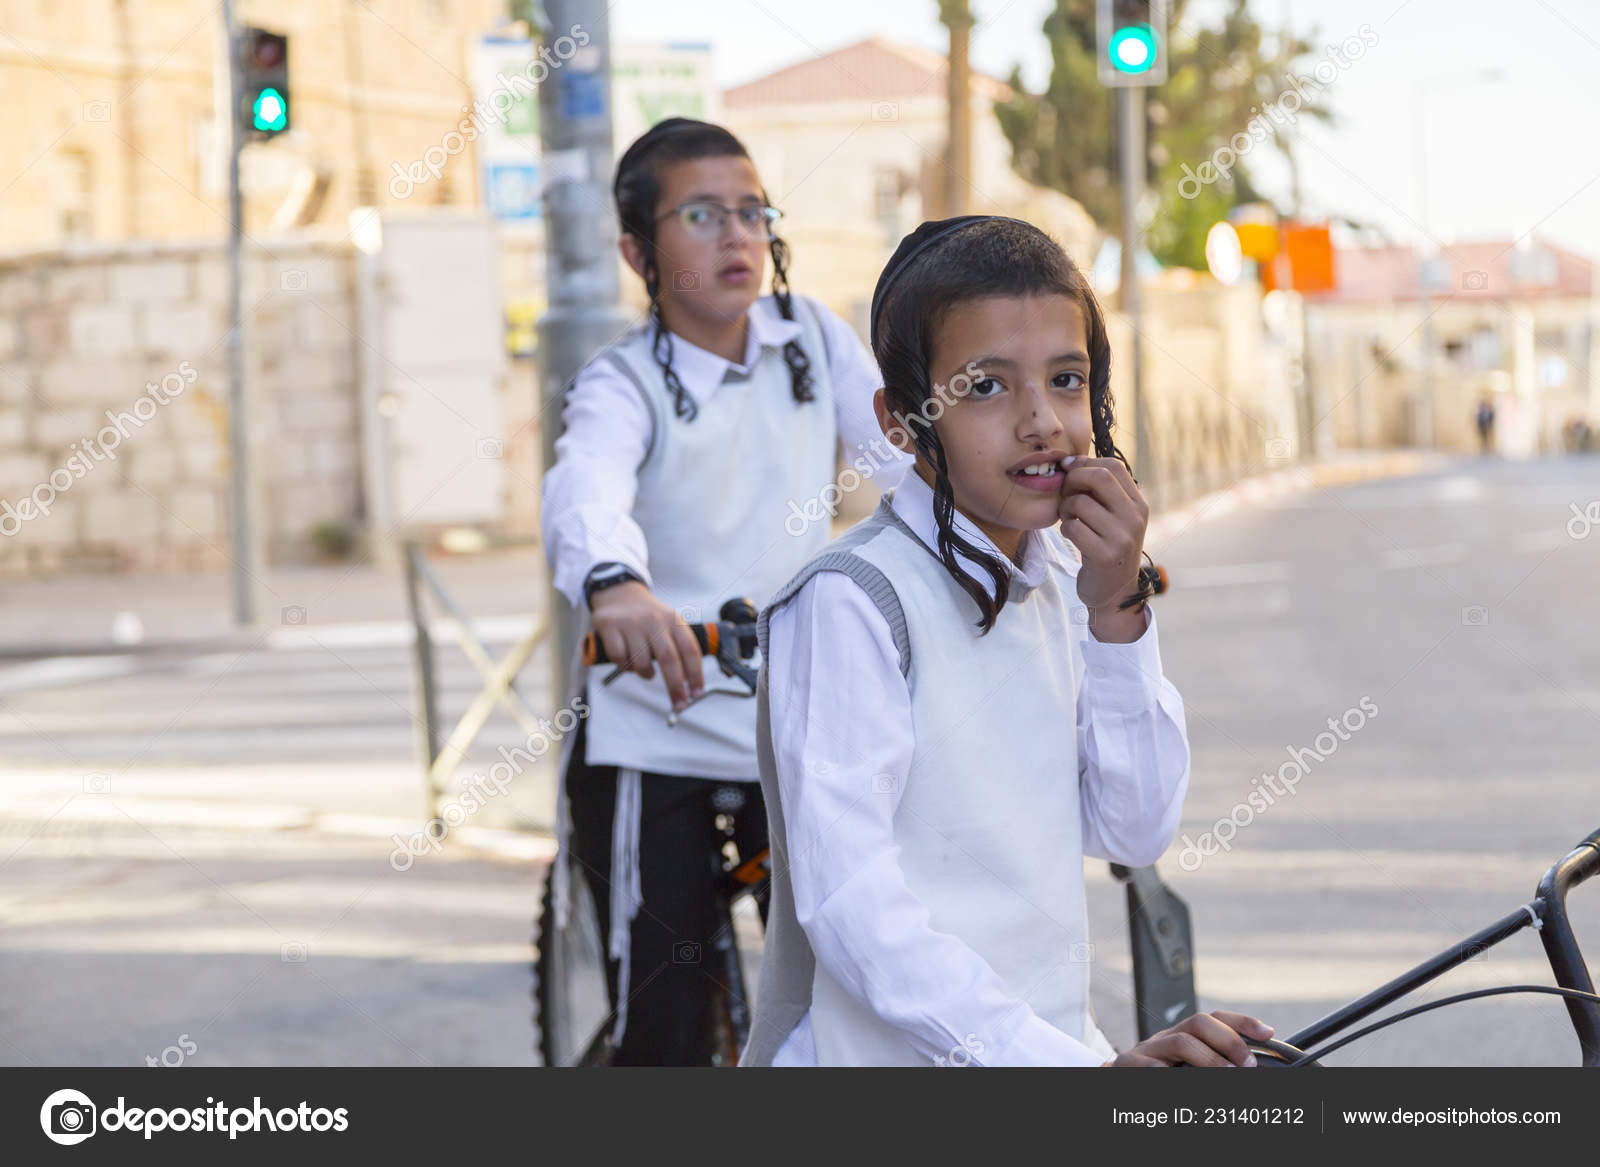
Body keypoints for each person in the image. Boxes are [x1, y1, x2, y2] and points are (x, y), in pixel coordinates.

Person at [742, 216, 1273, 1067]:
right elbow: (852, 906)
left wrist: (1117, 614)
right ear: (903, 421)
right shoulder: (852, 602)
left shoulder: (1066, 579)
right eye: (985, 388)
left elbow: (1134, 830)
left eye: (1067, 380)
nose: (1043, 423)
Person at [539, 118, 909, 1064]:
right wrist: (616, 588)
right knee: (665, 1026)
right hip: (651, 734)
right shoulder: (621, 383)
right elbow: (588, 488)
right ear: (637, 250)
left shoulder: (810, 341)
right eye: (701, 214)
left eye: (752, 211)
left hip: (789, 725)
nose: (737, 235)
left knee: (858, 986)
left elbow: (900, 472)